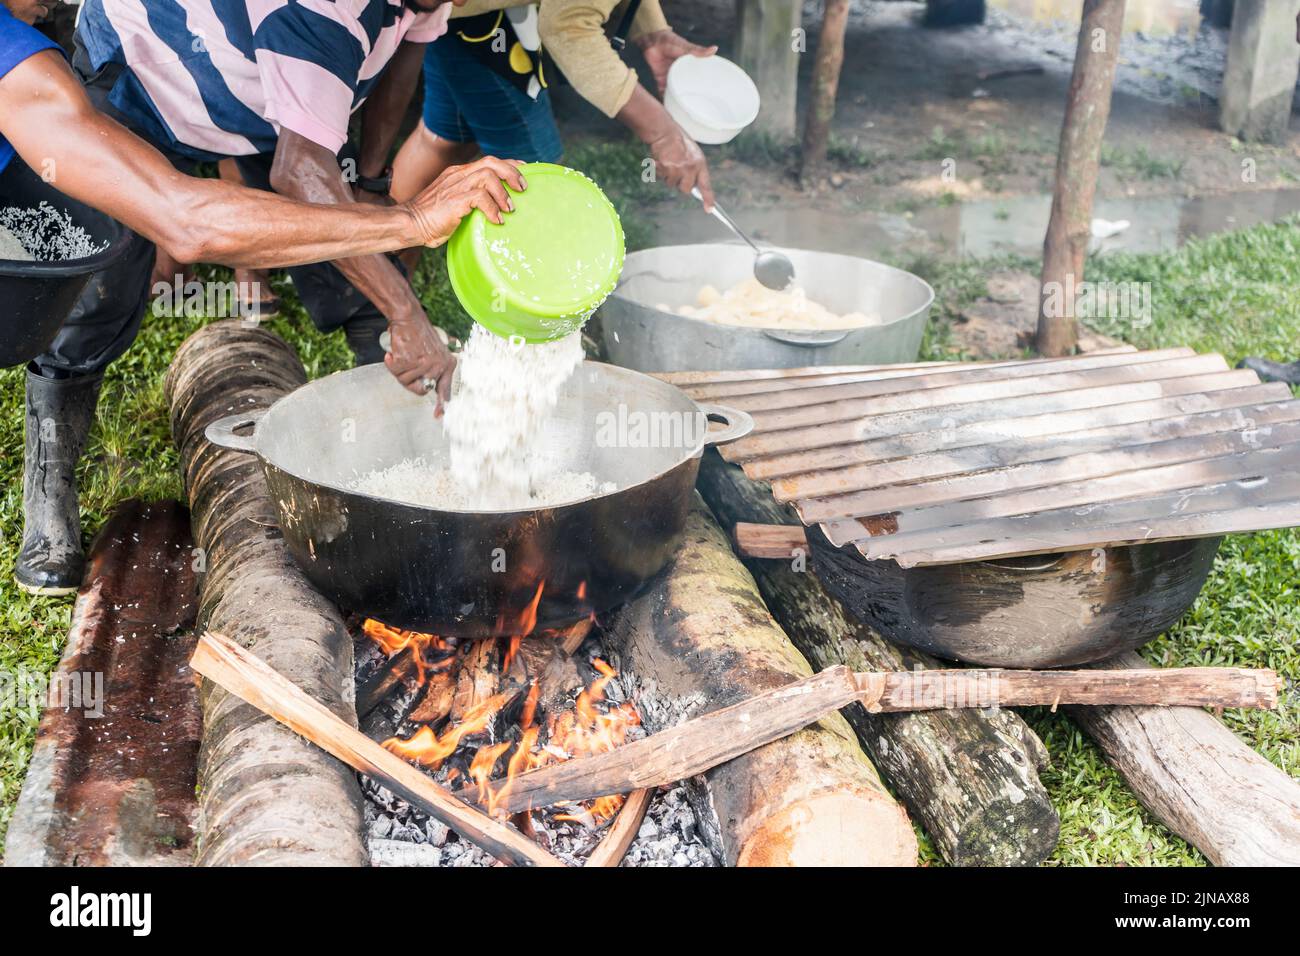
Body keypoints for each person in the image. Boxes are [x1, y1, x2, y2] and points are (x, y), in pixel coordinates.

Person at [0, 0, 524, 594]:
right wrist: (406, 290)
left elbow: (408, 52)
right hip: (144, 76)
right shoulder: (323, 12)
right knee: (97, 296)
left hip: (265, 102)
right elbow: (224, 206)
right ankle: (48, 498)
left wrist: (370, 184)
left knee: (352, 273)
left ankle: (403, 465)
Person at [385, 1, 716, 215]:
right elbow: (568, 28)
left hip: (457, 11)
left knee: (444, 138)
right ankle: (531, 307)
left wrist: (652, 31)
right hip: (474, 19)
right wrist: (663, 134)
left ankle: (377, 273)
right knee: (532, 166)